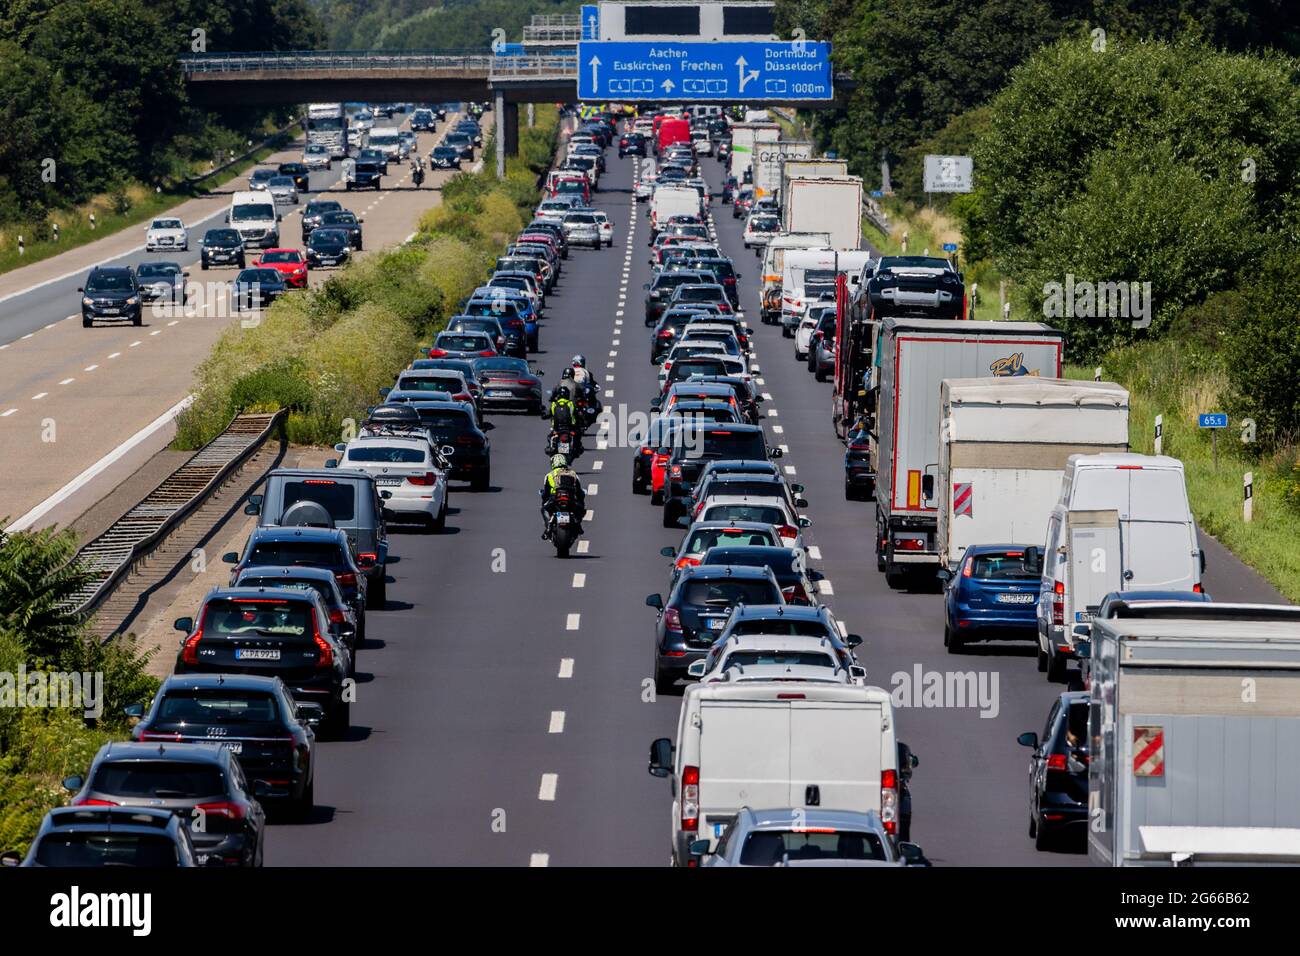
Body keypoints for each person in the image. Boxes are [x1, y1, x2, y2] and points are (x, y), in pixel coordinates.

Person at [539, 454, 585, 538]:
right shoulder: (573, 474)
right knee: (580, 507)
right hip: (570, 498)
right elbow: (579, 492)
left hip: (555, 498)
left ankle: (548, 528)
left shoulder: (549, 475)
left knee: (544, 508)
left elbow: (546, 493)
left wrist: (544, 498)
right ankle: (578, 525)